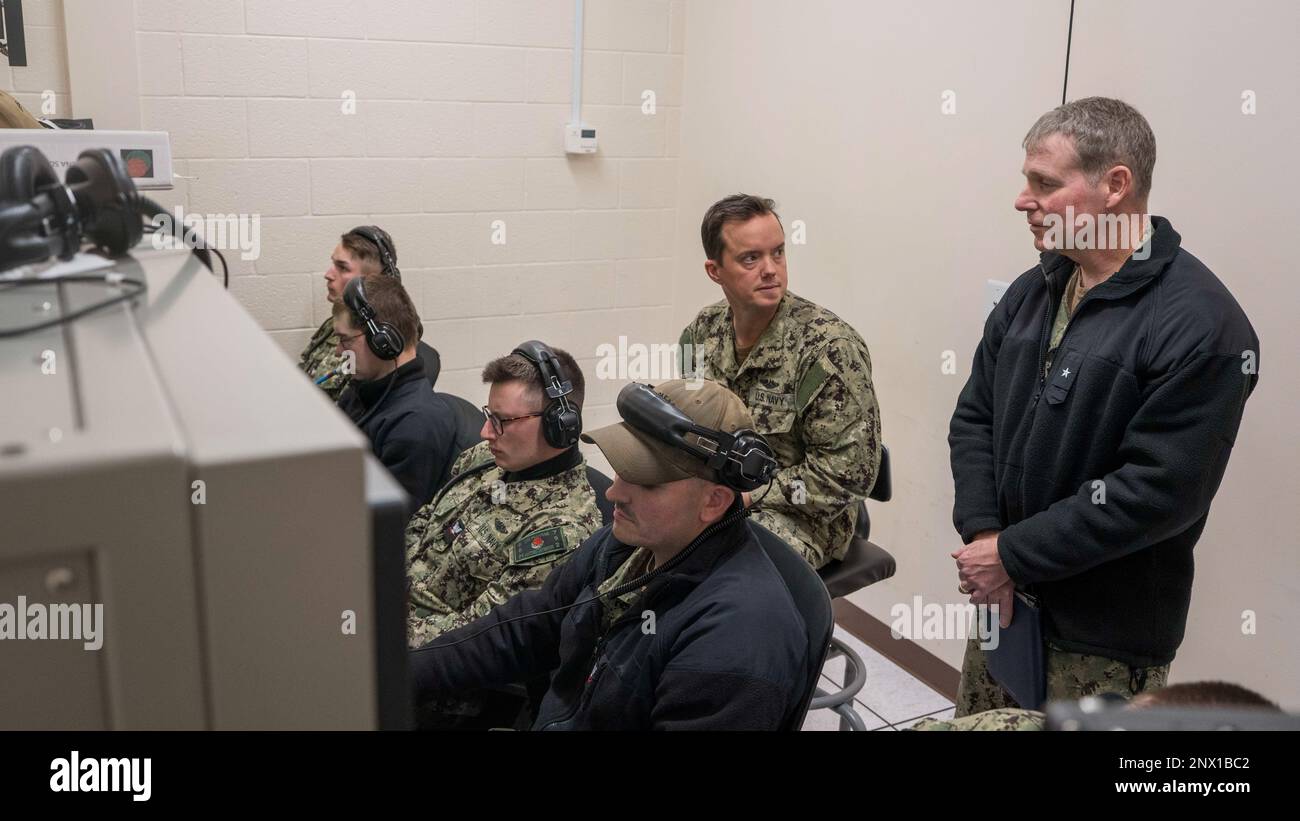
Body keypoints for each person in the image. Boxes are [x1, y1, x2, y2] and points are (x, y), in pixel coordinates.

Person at [948, 97, 1260, 716]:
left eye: (1045, 183)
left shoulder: (1203, 327)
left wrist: (1010, 555)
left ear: (1115, 185)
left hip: (1100, 642)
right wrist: (987, 540)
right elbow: (975, 417)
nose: (1022, 200)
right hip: (1004, 604)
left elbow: (1155, 492)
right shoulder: (1037, 288)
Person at [408, 379, 812, 730]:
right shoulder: (628, 545)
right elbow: (526, 628)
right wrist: (402, 671)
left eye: (644, 482)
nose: (614, 492)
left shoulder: (736, 643)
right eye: (621, 468)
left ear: (714, 501)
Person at [679, 194, 881, 568]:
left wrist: (748, 497)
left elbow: (847, 475)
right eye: (751, 258)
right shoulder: (701, 333)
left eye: (778, 253)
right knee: (645, 531)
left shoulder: (828, 349)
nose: (771, 270)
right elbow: (690, 427)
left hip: (804, 517)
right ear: (715, 270)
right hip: (722, 495)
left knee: (717, 565)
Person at [405, 342, 602, 646]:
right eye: (489, 416)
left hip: (427, 656)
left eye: (502, 421)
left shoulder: (560, 531)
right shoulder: (483, 459)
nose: (486, 432)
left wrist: (385, 625)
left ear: (560, 425)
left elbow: (476, 639)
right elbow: (424, 520)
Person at [333, 275, 457, 513]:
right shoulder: (360, 392)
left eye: (344, 340)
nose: (339, 352)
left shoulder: (415, 424)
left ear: (382, 340)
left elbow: (388, 523)